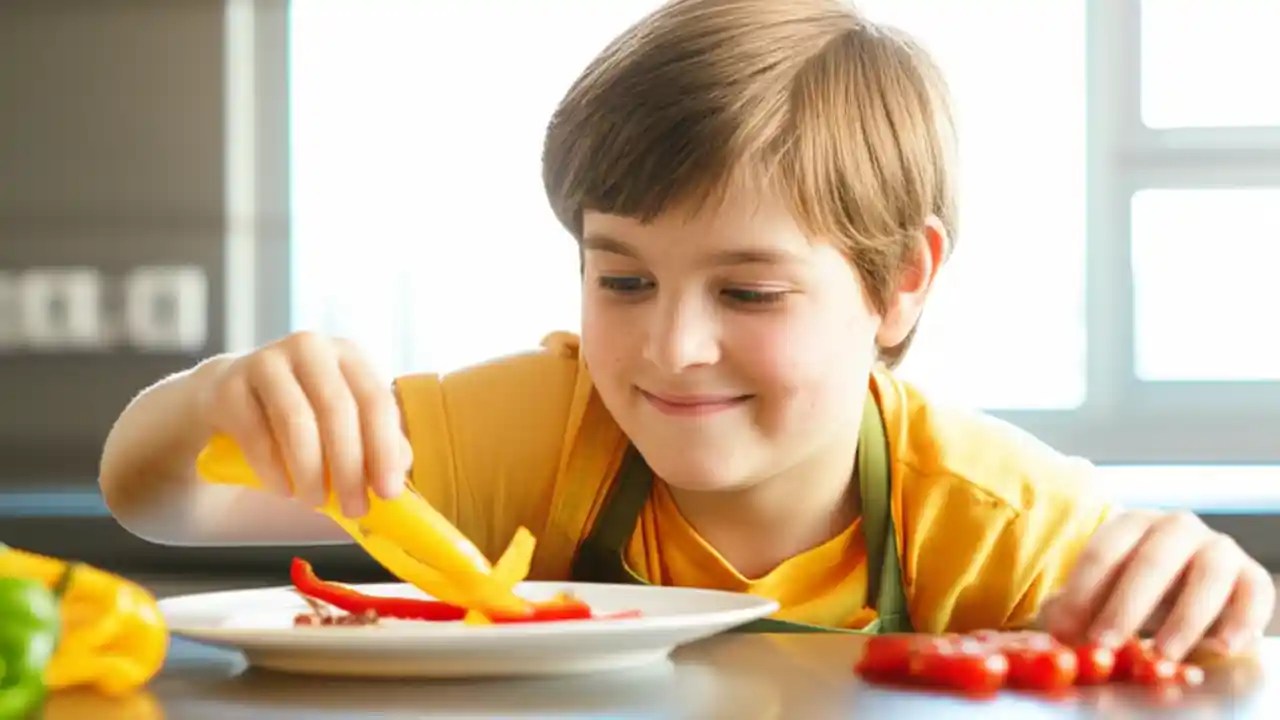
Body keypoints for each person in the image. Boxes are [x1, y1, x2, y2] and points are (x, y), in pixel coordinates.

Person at [98, 0, 1272, 660]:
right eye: (620, 282)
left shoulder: (997, 524)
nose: (669, 349)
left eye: (748, 293)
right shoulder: (529, 428)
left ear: (898, 284)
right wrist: (217, 397)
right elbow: (163, 502)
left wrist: (1213, 602)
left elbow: (1201, 653)